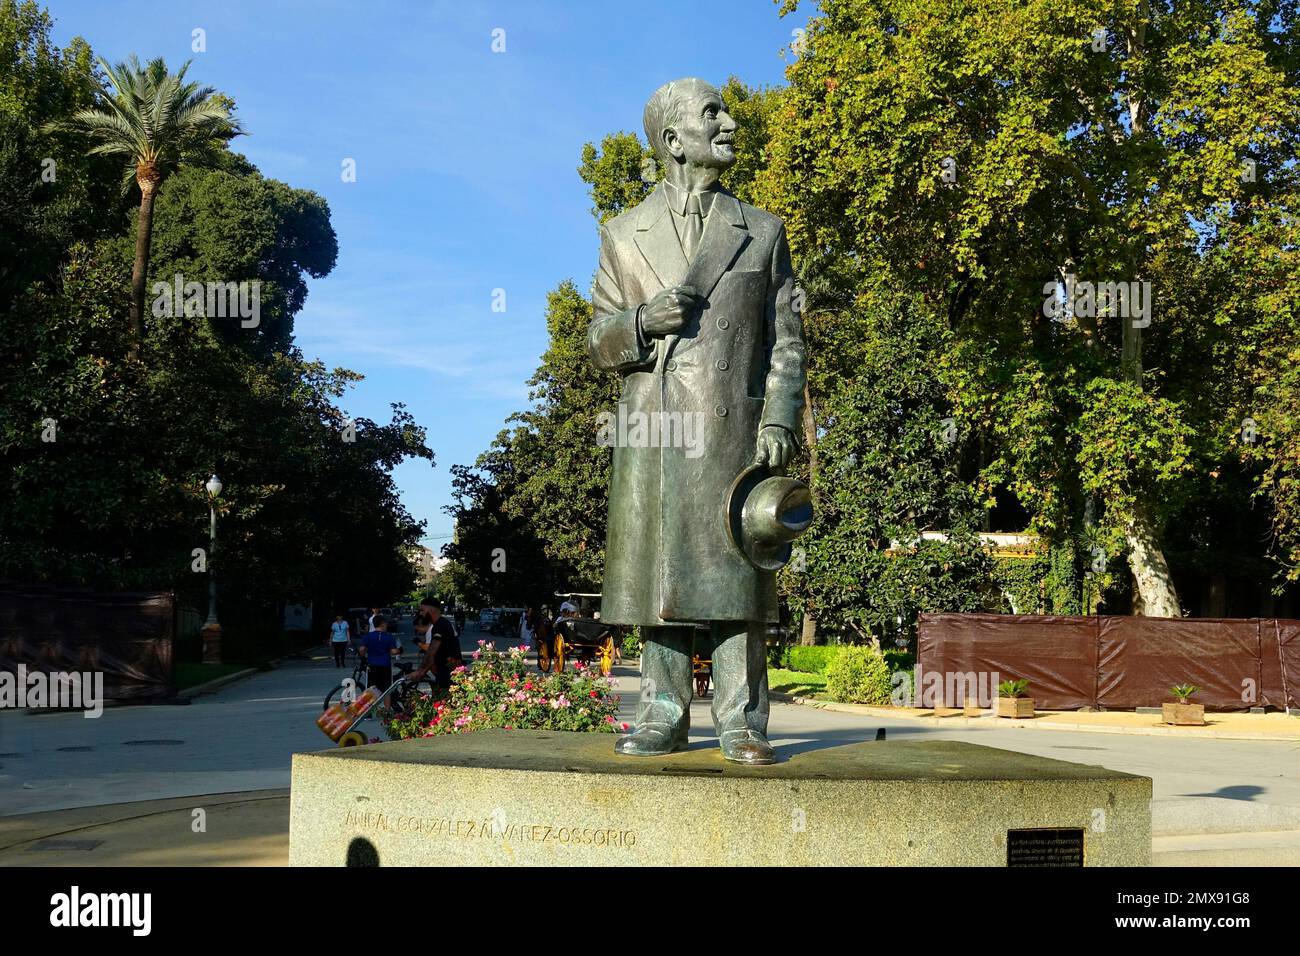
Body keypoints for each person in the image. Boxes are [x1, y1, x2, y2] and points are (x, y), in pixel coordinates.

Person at [587, 79, 807, 765]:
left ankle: (743, 723)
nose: (731, 122)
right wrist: (638, 325)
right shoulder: (622, 235)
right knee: (662, 573)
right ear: (673, 140)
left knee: (737, 573)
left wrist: (778, 418)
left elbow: (787, 340)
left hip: (732, 431)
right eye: (712, 113)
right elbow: (596, 340)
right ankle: (662, 713)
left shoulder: (763, 231)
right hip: (656, 428)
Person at [409, 598, 462, 691]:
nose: (421, 613)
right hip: (444, 673)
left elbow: (432, 651)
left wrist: (420, 671)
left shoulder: (441, 625)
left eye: (422, 610)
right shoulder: (437, 625)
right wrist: (422, 670)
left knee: (444, 702)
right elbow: (432, 653)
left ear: (432, 610)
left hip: (449, 674)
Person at [359, 614, 399, 691]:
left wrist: (363, 656)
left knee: (371, 689)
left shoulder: (368, 636)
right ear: (383, 624)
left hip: (372, 665)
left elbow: (362, 649)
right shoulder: (389, 637)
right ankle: (387, 703)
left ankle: (372, 703)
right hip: (385, 665)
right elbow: (394, 651)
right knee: (387, 689)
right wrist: (399, 650)